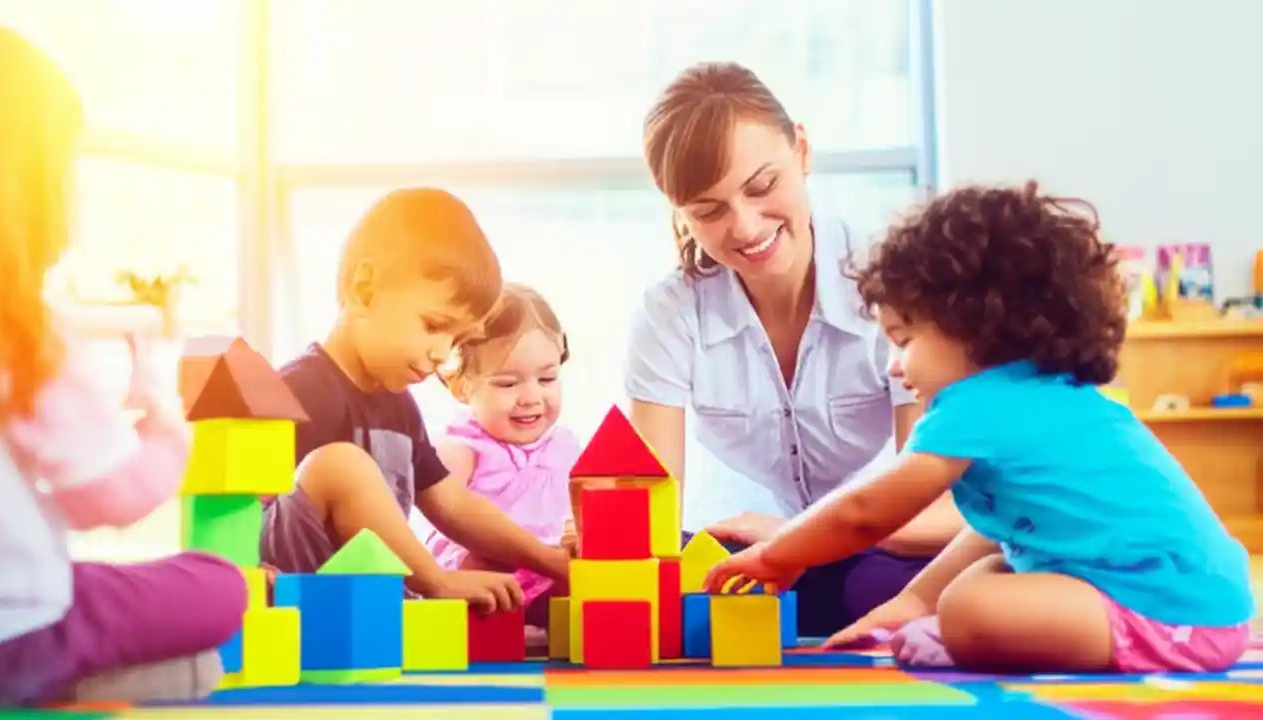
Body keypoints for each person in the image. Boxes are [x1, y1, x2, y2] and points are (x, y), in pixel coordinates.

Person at [705, 181, 1255, 673]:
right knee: (992, 567)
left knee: (970, 608)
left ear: (976, 326)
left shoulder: (978, 405)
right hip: (1191, 601)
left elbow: (867, 512)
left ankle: (961, 637)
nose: (894, 366)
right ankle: (949, 623)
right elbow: (995, 528)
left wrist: (781, 552)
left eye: (904, 341)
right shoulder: (1034, 396)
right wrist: (910, 603)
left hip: (1167, 611)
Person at [625, 61, 961, 636]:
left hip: (877, 545)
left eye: (762, 187)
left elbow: (938, 503)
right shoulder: (670, 312)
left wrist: (801, 536)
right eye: (709, 210)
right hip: (745, 549)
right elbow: (651, 514)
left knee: (884, 588)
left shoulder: (894, 287)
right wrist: (610, 538)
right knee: (661, 583)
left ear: (801, 150)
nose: (747, 225)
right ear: (680, 210)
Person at [0, 23, 245, 705]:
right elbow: (112, 498)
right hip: (15, 637)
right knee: (220, 585)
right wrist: (165, 422)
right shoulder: (18, 331)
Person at [259, 188, 571, 614]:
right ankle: (428, 584)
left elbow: (452, 504)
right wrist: (436, 578)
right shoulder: (300, 389)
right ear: (365, 291)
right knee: (342, 464)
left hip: (362, 606)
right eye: (433, 326)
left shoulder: (399, 405)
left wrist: (550, 560)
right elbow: (236, 504)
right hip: (291, 594)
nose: (443, 353)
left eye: (456, 340)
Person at [425, 283, 579, 628]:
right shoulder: (461, 448)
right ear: (462, 387)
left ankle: (561, 627)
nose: (531, 397)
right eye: (508, 384)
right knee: (485, 560)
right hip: (485, 575)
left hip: (550, 570)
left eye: (547, 378)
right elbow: (440, 508)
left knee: (590, 569)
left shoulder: (566, 446)